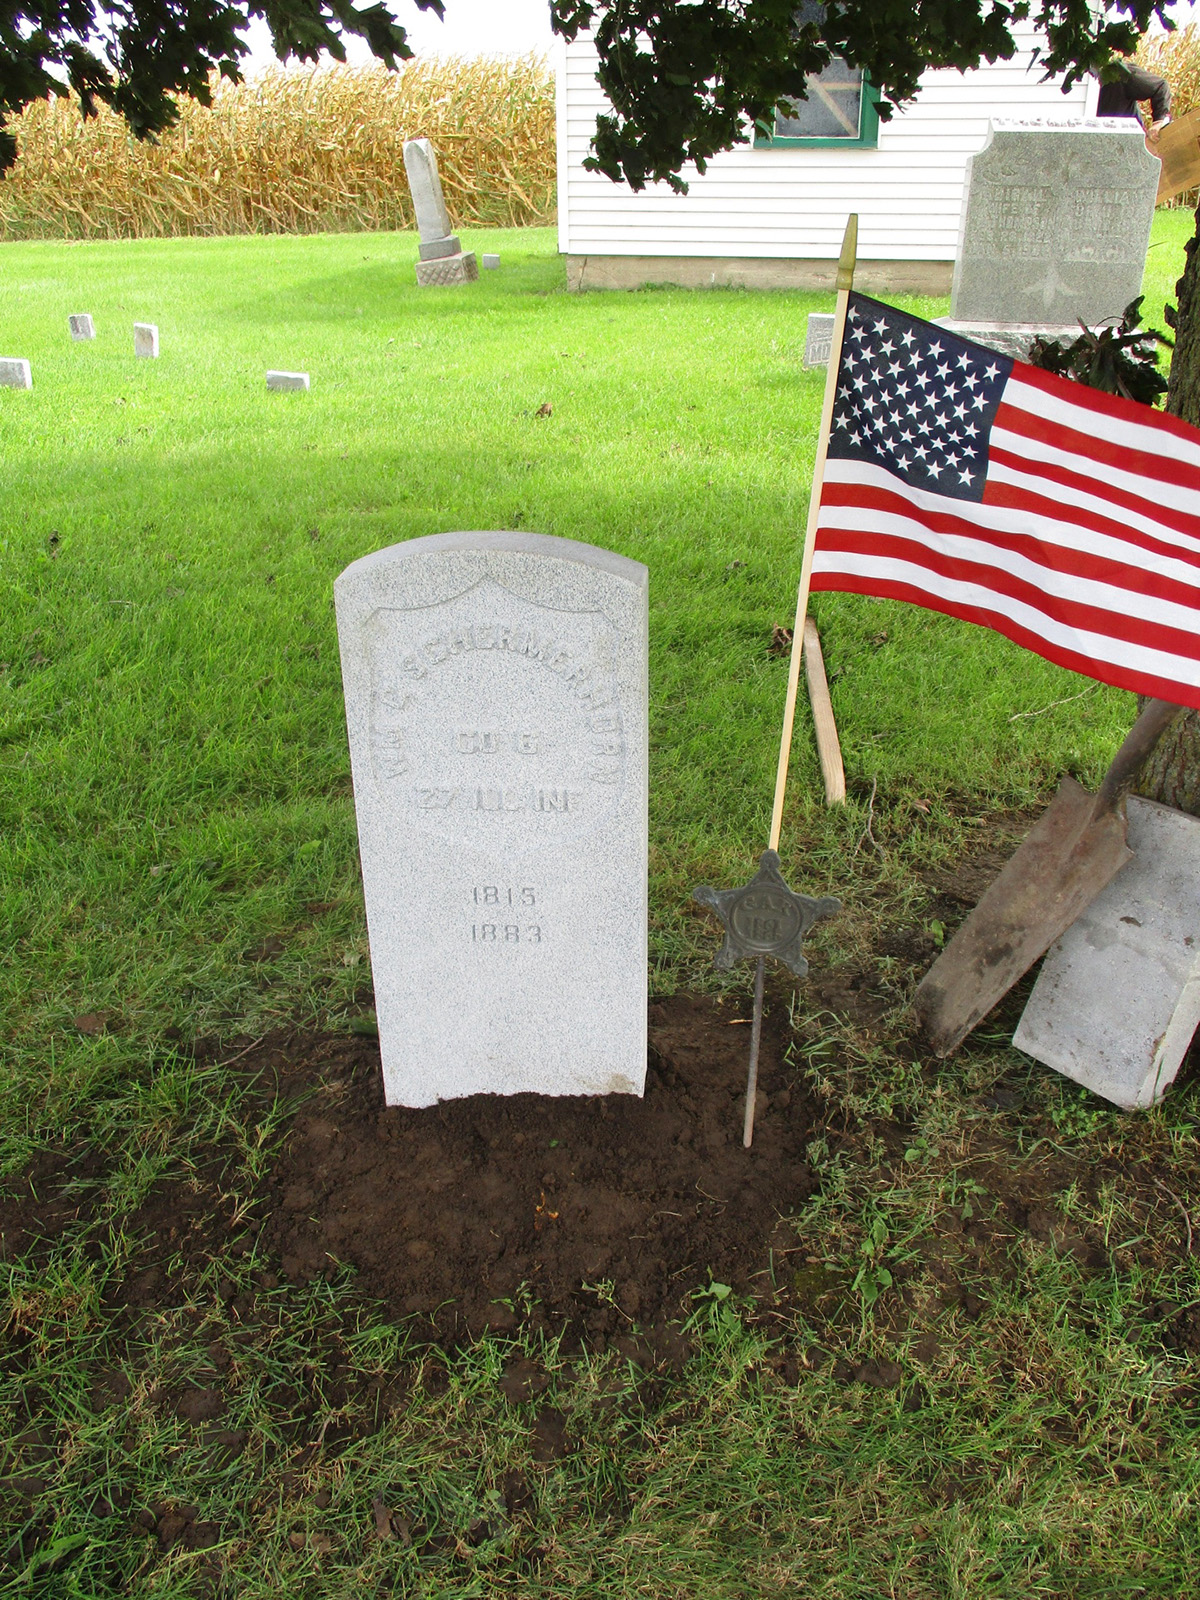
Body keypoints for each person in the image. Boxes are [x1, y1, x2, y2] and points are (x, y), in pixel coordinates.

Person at [1096, 56, 1171, 139]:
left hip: (1130, 139)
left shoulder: (1118, 74)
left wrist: (1159, 121)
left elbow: (1160, 87)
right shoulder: (1082, 83)